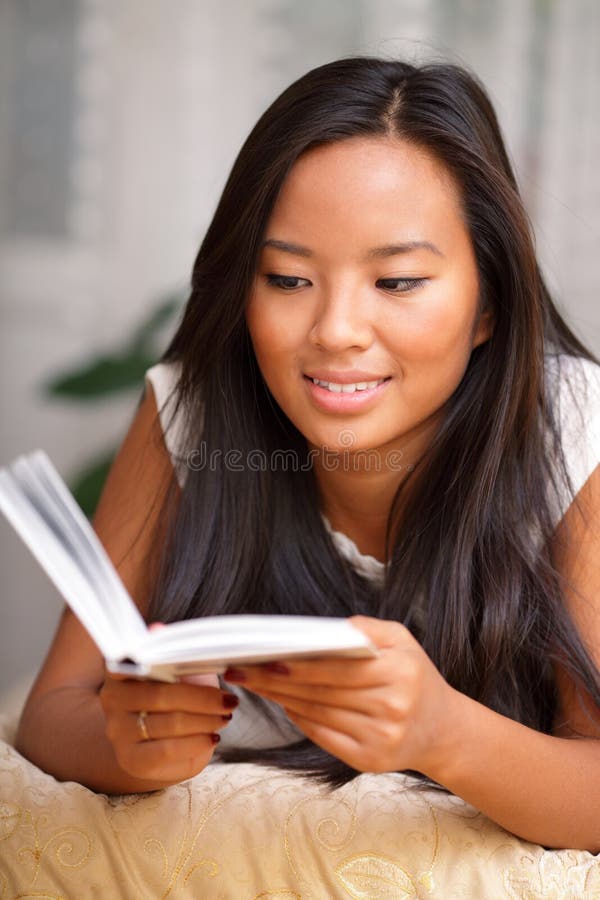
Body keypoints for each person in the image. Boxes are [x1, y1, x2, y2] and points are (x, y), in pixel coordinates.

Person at [15, 56, 600, 852]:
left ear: (489, 304)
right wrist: (128, 740)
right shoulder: (192, 411)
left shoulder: (573, 430)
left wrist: (444, 734)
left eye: (396, 282)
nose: (334, 331)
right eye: (288, 279)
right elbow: (52, 711)